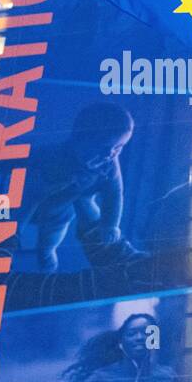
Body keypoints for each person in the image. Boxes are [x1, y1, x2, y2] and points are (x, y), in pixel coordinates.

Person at [14, 102, 144, 272]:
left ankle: (46, 253)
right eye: (104, 146)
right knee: (16, 223)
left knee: (51, 238)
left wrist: (110, 224)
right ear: (77, 139)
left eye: (119, 148)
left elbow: (114, 194)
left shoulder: (110, 164)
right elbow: (26, 171)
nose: (110, 154)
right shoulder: (53, 155)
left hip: (61, 212)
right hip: (33, 200)